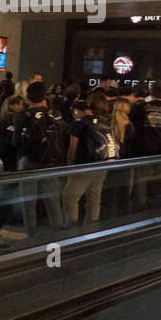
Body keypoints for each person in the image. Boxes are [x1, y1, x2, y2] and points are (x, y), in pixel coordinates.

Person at [15, 81, 68, 235]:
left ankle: (31, 233)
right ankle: (57, 231)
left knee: (28, 201)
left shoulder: (23, 116)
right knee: (52, 198)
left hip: (28, 160)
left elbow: (15, 141)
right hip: (50, 159)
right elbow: (63, 133)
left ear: (27, 97)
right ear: (45, 96)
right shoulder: (55, 114)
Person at [64, 92, 115, 226]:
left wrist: (69, 166)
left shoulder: (79, 124)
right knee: (94, 198)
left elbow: (72, 147)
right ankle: (91, 229)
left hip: (83, 166)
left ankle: (72, 230)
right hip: (101, 165)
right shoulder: (104, 123)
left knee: (70, 197)